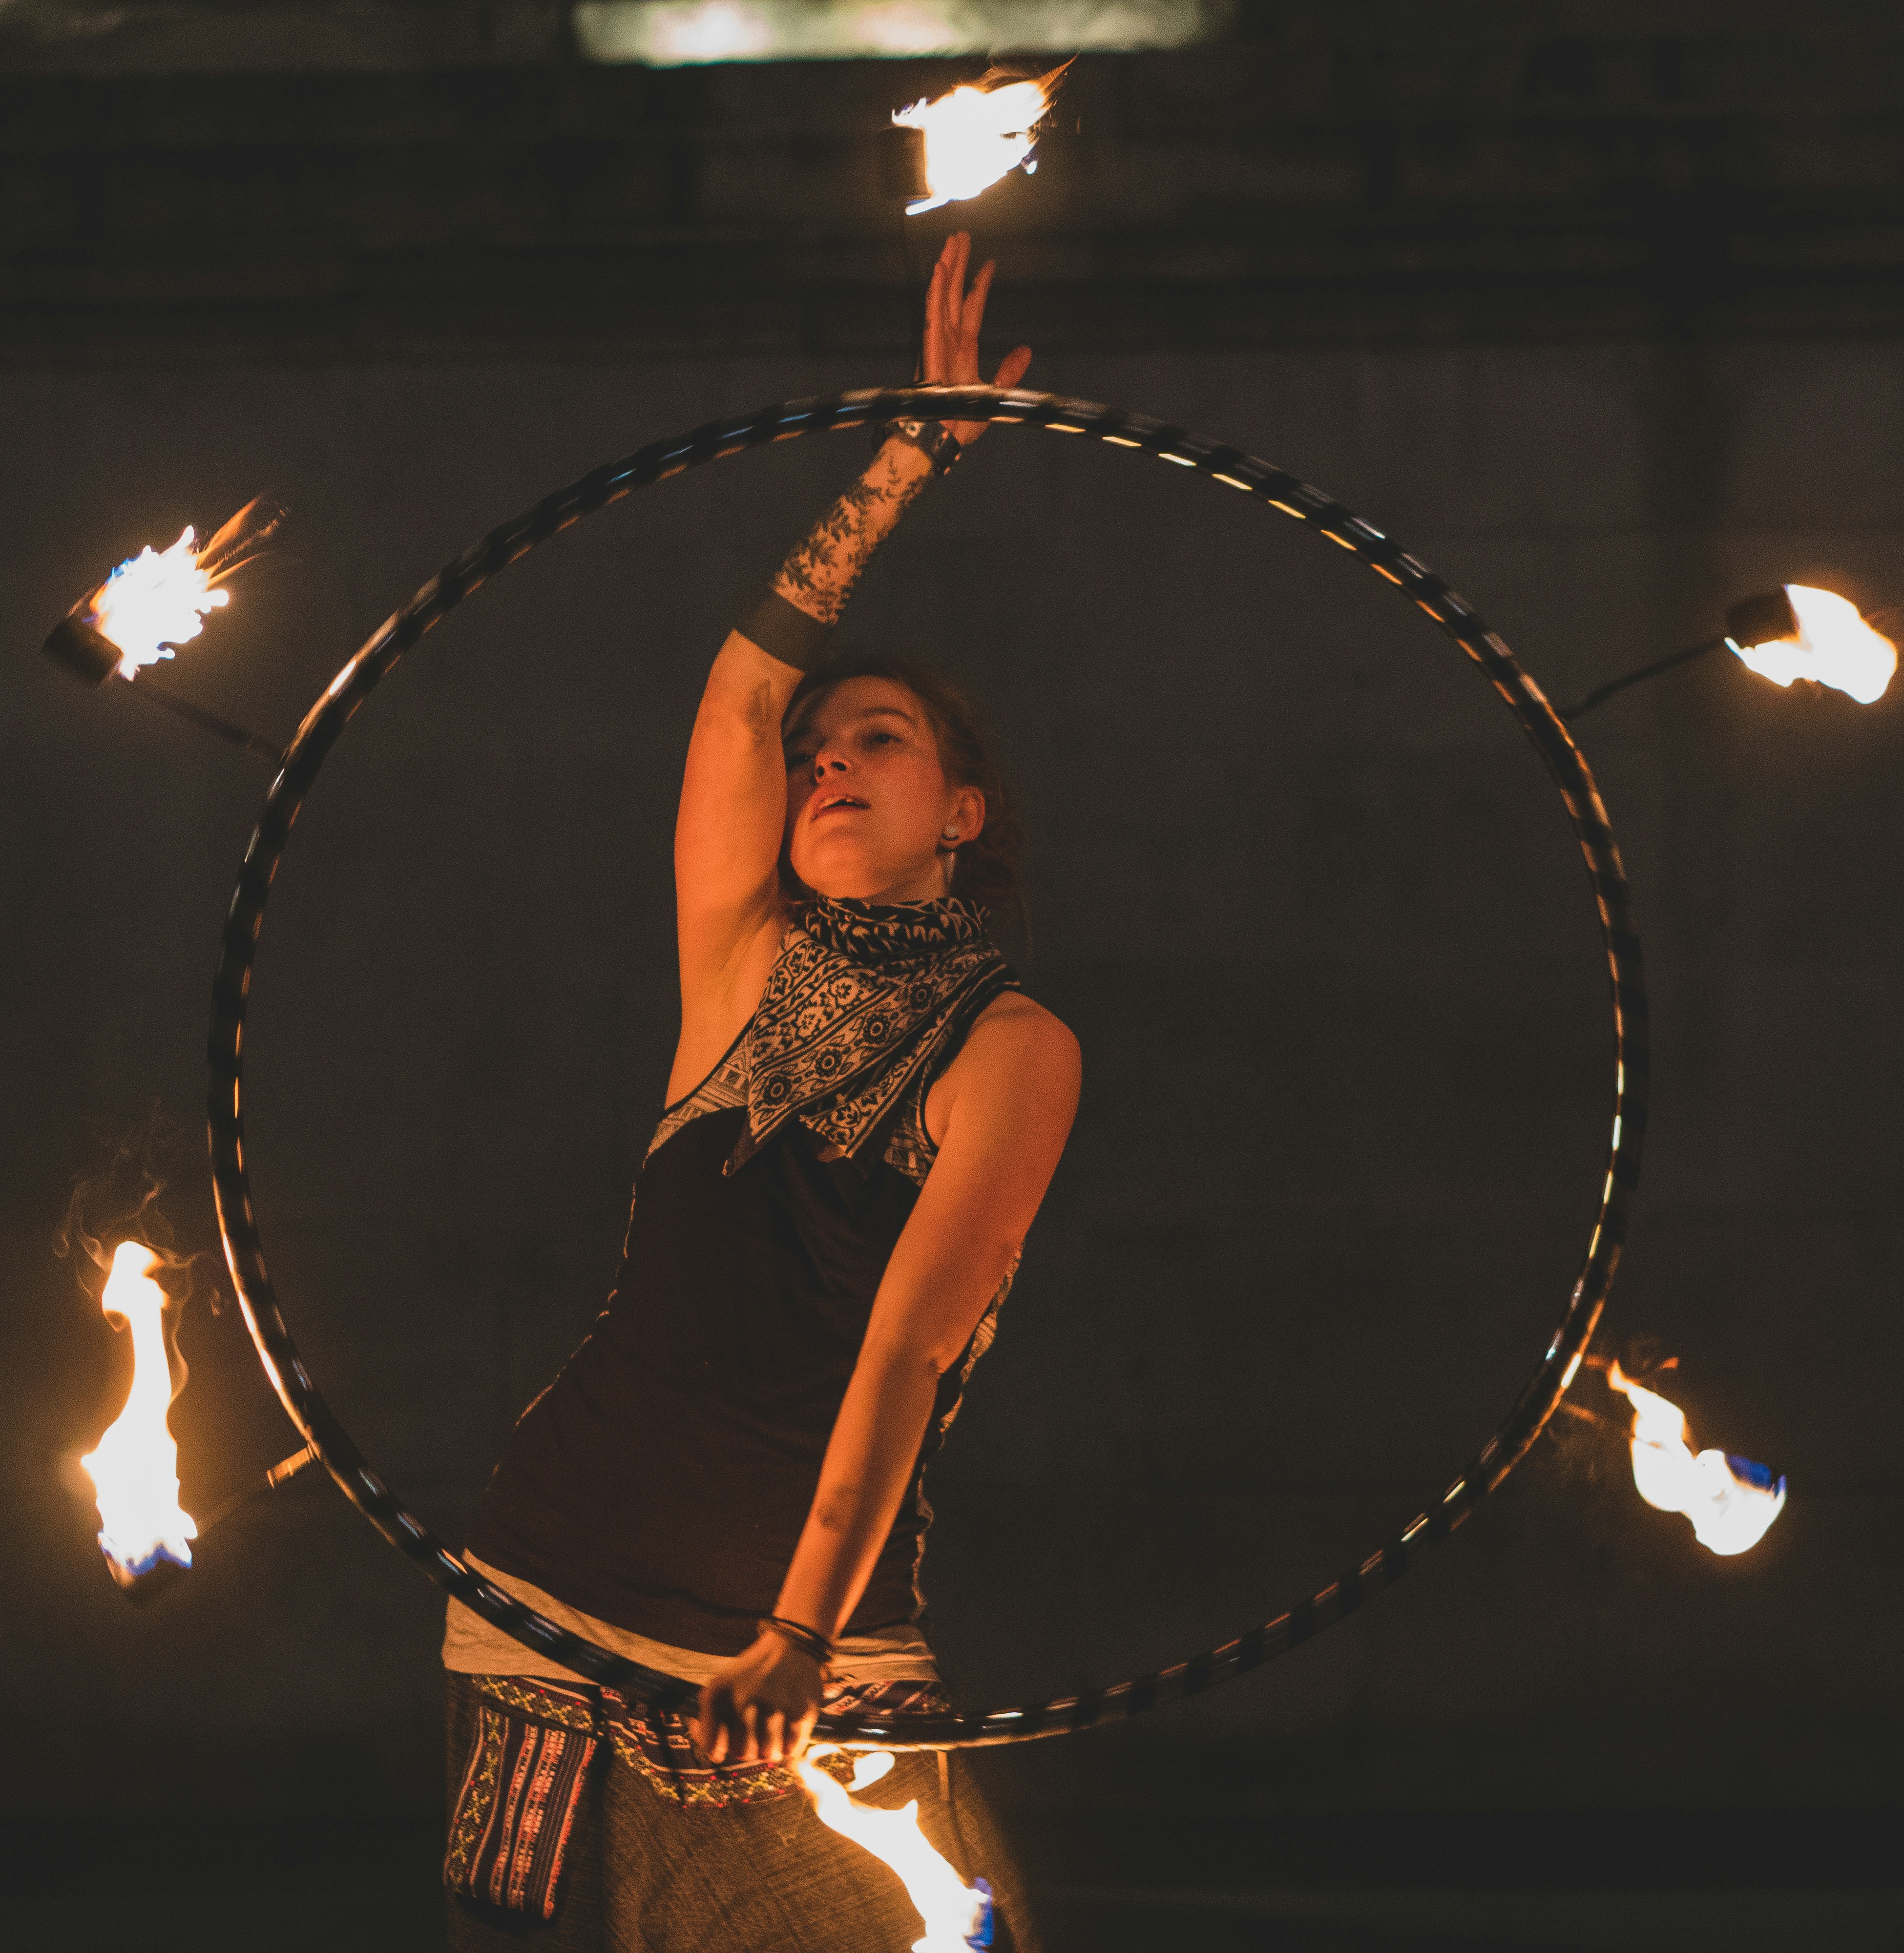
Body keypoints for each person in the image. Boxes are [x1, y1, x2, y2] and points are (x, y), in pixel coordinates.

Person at [441, 233, 1081, 1953]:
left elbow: (905, 1352)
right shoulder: (737, 968)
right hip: (550, 1589)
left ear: (963, 812)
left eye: (876, 738)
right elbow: (741, 694)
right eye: (822, 748)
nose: (828, 758)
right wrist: (910, 453)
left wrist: (796, 1638)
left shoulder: (1010, 1047)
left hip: (803, 1636)